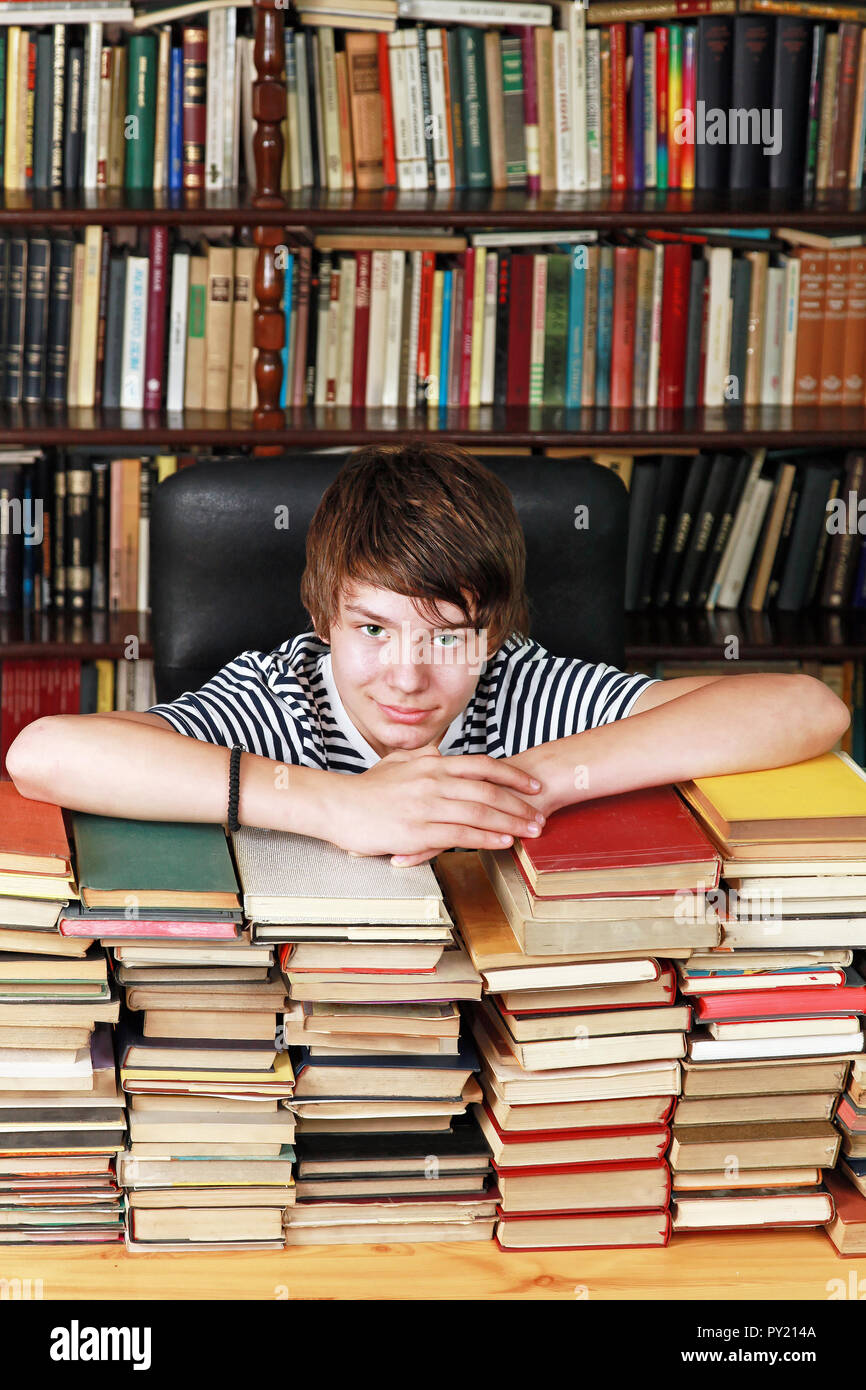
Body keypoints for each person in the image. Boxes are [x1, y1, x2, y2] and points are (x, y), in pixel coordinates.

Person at [7, 443, 849, 867]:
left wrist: (517, 788)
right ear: (322, 619)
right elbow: (42, 753)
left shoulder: (524, 688)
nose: (408, 676)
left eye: (451, 635)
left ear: (500, 629)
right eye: (372, 630)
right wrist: (343, 806)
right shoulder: (281, 696)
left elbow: (810, 708)